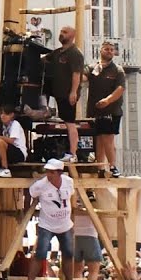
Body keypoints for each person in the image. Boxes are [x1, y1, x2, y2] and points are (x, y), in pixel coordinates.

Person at [26, 159, 75, 280]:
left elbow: (71, 196)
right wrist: (26, 211)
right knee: (40, 254)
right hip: (47, 225)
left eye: (52, 172)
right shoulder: (40, 185)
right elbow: (30, 193)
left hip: (65, 224)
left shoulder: (69, 182)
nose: (49, 174)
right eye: (47, 171)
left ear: (59, 173)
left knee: (68, 254)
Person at [44, 26, 85, 162]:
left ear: (72, 36)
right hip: (57, 93)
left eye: (65, 32)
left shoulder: (75, 53)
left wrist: (73, 92)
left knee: (70, 122)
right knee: (66, 121)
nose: (61, 34)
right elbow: (45, 60)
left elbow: (76, 74)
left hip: (68, 94)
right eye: (61, 31)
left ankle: (73, 154)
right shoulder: (57, 53)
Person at [86, 42, 126, 177]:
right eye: (106, 49)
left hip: (111, 111)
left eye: (111, 50)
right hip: (95, 111)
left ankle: (113, 166)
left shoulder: (118, 70)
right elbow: (83, 77)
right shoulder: (93, 67)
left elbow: (120, 89)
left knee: (107, 137)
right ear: (100, 50)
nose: (109, 51)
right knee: (99, 139)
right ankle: (100, 167)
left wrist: (107, 100)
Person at [0, 106, 28, 177]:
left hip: (19, 153)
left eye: (6, 114)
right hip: (7, 153)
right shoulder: (3, 127)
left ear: (12, 115)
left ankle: (5, 169)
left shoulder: (15, 124)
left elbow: (11, 141)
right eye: (1, 114)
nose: (3, 116)